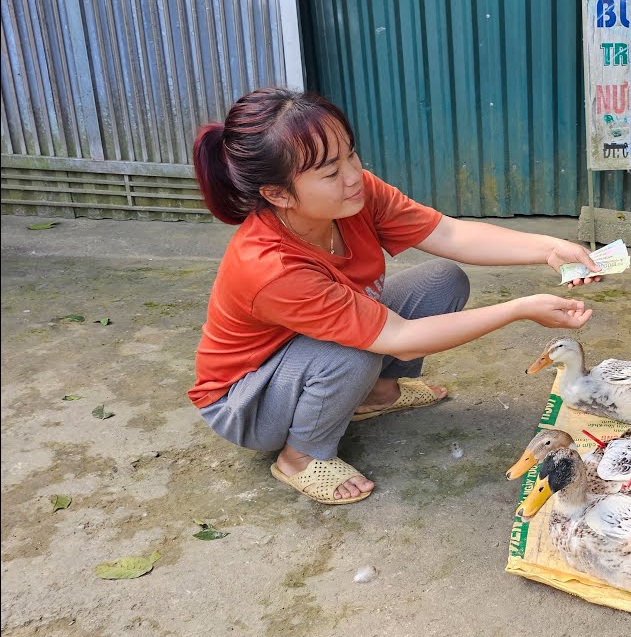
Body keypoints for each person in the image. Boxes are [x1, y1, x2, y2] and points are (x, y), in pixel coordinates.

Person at [189, 87, 599, 505]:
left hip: (303, 352)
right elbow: (398, 336)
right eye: (330, 172)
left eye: (350, 154)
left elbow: (448, 233)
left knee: (442, 280)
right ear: (277, 194)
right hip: (248, 401)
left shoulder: (356, 195)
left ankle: (376, 394)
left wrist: (548, 248)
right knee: (354, 348)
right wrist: (518, 309)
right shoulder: (270, 265)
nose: (352, 175)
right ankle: (299, 455)